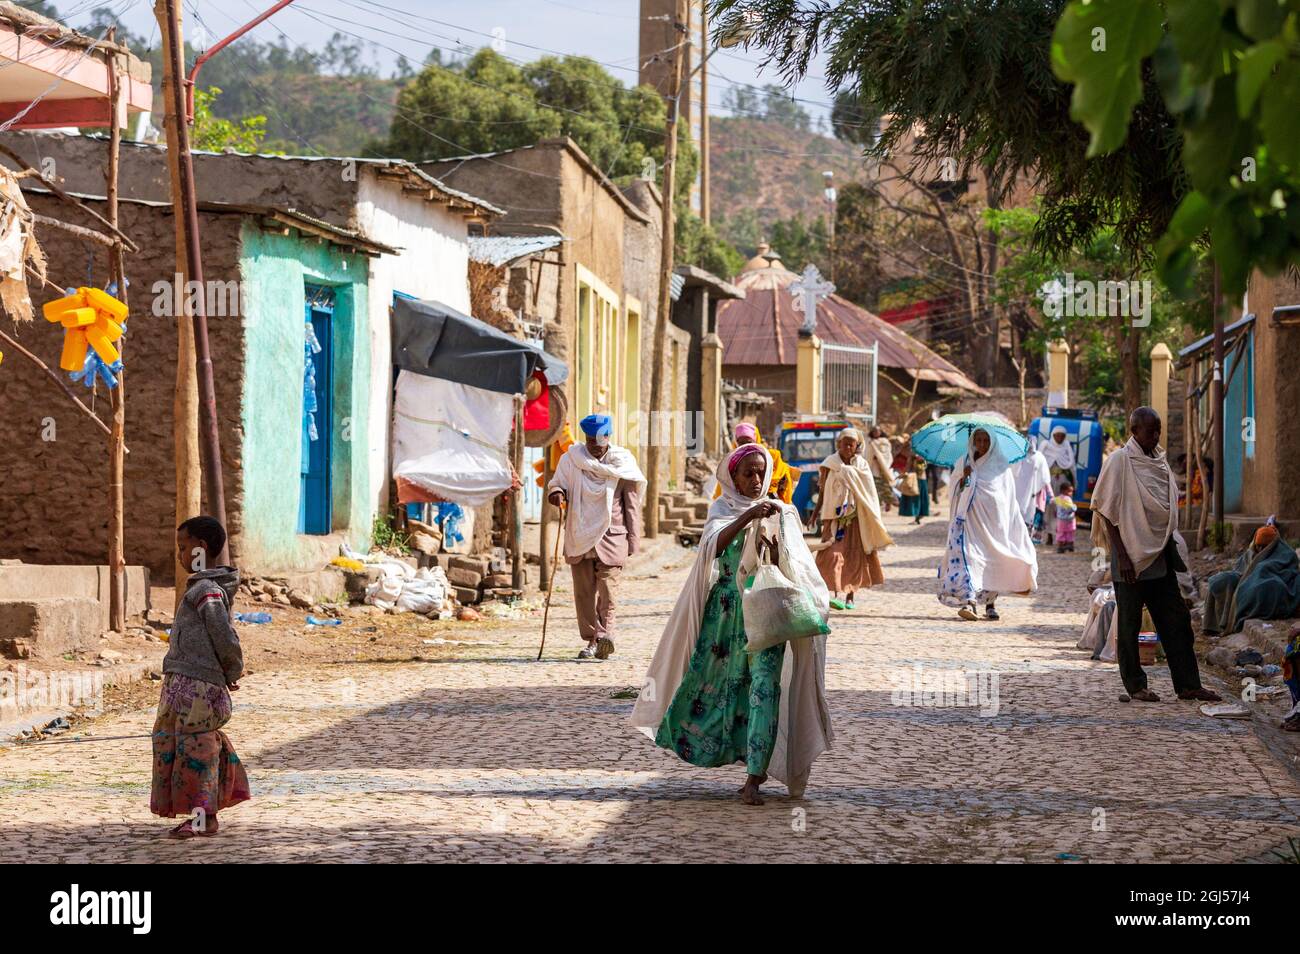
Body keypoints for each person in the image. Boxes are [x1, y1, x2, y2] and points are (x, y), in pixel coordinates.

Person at [630, 444, 833, 803]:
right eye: (747, 474)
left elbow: (799, 567)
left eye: (760, 473)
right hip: (725, 616)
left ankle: (755, 777)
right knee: (720, 687)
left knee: (763, 691)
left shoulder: (783, 512)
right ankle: (718, 749)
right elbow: (714, 547)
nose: (755, 480)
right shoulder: (723, 510)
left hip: (768, 616)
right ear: (734, 477)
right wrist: (748, 517)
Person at [1091, 406, 1221, 703]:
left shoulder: (1159, 462)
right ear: (1134, 431)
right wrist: (1122, 555)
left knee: (1176, 621)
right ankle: (1136, 685)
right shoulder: (1120, 462)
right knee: (1129, 626)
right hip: (1130, 559)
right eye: (1150, 431)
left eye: (1158, 430)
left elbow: (1167, 506)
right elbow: (1106, 511)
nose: (1155, 436)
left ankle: (1188, 684)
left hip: (1159, 557)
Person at [151, 516, 251, 838]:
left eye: (184, 547)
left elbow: (223, 634)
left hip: (198, 690)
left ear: (201, 549)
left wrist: (231, 669)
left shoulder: (208, 591)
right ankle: (206, 812)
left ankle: (203, 819)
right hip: (183, 686)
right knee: (183, 749)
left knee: (196, 753)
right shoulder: (199, 588)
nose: (180, 555)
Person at [547, 412, 645, 660]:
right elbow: (558, 483)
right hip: (580, 533)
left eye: (601, 440)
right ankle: (592, 638)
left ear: (609, 437)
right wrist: (557, 493)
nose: (596, 446)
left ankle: (603, 637)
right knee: (584, 592)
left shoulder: (622, 462)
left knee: (608, 589)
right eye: (592, 440)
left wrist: (634, 539)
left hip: (613, 536)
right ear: (586, 438)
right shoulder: (572, 459)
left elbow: (631, 505)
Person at [938, 427, 1038, 621]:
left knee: (990, 560)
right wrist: (965, 478)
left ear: (992, 442)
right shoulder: (964, 462)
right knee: (969, 558)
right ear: (973, 441)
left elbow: (1006, 498)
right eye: (979, 440)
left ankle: (991, 602)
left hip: (992, 524)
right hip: (966, 522)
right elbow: (955, 489)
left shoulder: (1001, 466)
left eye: (986, 440)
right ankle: (969, 601)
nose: (982, 444)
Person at [816, 427, 893, 609]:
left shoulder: (862, 465)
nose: (848, 448)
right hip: (834, 519)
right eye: (845, 444)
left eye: (852, 445)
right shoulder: (829, 464)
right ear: (839, 445)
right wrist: (814, 514)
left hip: (857, 520)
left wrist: (849, 474)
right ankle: (833, 593)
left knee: (855, 557)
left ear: (857, 445)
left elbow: (868, 492)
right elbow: (822, 490)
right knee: (831, 554)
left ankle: (850, 596)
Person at [1203, 521, 1300, 637]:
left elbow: (1286, 573)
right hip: (1245, 581)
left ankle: (1235, 617)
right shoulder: (1251, 552)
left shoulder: (1286, 555)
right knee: (1219, 580)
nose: (1259, 549)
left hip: (1267, 583)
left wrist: (1260, 570)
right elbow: (1241, 570)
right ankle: (1213, 626)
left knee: (1270, 586)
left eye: (1263, 547)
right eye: (1257, 546)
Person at [1012, 436, 1052, 543]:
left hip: (1032, 493)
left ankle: (1026, 541)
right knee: (1016, 516)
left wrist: (1047, 492)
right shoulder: (1018, 456)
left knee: (1029, 516)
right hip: (1017, 491)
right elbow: (1011, 472)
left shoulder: (1039, 457)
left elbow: (1044, 477)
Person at [897, 439, 929, 524]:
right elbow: (907, 464)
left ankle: (918, 517)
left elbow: (922, 467)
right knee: (915, 499)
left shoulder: (923, 452)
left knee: (919, 499)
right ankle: (917, 517)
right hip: (913, 478)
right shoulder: (912, 453)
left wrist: (917, 458)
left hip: (920, 479)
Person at [866, 425, 896, 511]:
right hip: (874, 468)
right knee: (875, 487)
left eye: (877, 431)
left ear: (880, 432)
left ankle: (888, 502)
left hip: (884, 468)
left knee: (886, 486)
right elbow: (868, 454)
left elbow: (887, 454)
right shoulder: (870, 442)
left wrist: (880, 458)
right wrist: (873, 458)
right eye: (874, 431)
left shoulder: (885, 442)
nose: (876, 433)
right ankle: (877, 504)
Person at [1052, 479, 1078, 553]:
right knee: (1070, 532)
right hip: (1069, 519)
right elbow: (1071, 508)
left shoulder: (1058, 498)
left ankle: (1060, 547)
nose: (1071, 493)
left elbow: (1053, 502)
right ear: (1064, 491)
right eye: (1070, 491)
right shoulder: (1067, 499)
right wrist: (1075, 507)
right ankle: (1070, 545)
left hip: (1061, 520)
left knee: (1061, 533)